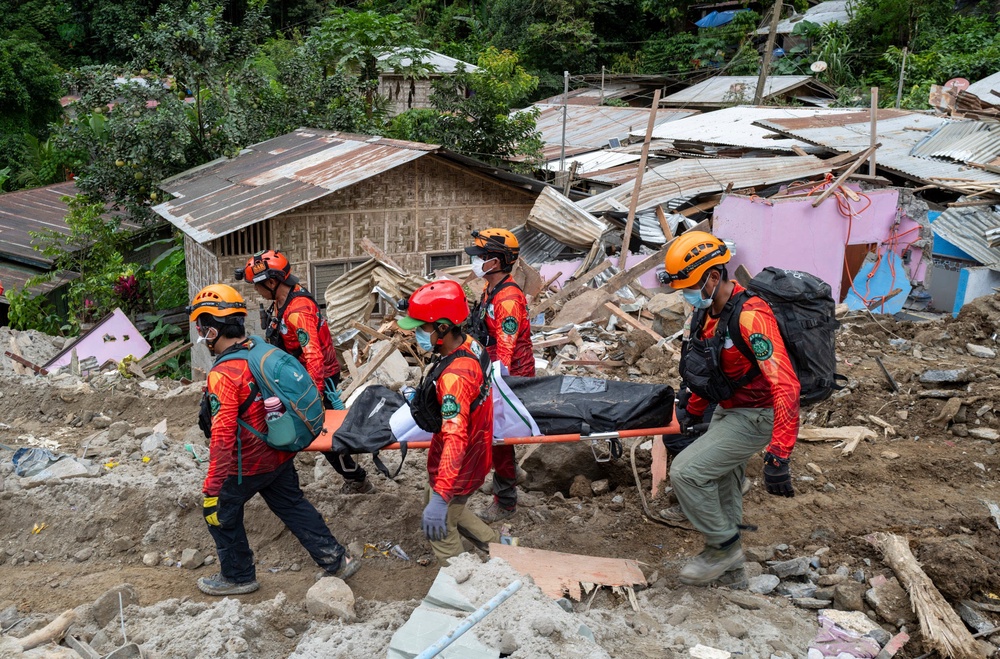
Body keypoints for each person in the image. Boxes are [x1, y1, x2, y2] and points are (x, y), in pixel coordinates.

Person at [188, 284, 360, 596]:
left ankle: (238, 576)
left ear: (212, 330)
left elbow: (223, 437)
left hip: (247, 464)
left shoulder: (225, 374)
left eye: (202, 327)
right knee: (292, 504)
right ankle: (337, 559)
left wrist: (212, 489)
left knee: (219, 515)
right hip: (279, 452)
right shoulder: (261, 350)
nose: (201, 334)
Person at [659, 231, 800, 586]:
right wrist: (691, 410)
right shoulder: (706, 315)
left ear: (713, 276)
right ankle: (734, 574)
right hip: (728, 408)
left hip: (757, 415)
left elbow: (786, 385)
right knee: (723, 484)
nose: (686, 295)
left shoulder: (752, 317)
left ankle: (723, 547)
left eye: (690, 286)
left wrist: (779, 454)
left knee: (687, 472)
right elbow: (713, 371)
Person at [236, 249, 374, 494]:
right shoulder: (282, 301)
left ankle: (357, 479)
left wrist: (313, 395)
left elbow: (314, 356)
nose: (256, 291)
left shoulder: (298, 311)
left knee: (322, 434)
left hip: (315, 378)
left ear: (272, 281)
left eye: (257, 285)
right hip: (299, 376)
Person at [397, 279, 514, 566]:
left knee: (440, 527)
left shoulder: (454, 378)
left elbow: (455, 438)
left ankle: (464, 580)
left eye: (421, 328)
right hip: (475, 453)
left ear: (444, 328)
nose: (416, 334)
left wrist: (442, 494)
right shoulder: (471, 346)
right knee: (451, 508)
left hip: (459, 463)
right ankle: (501, 548)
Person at [464, 228, 533, 523]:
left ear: (496, 261)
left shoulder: (507, 300)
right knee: (495, 437)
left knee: (498, 438)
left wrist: (493, 382)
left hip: (509, 376)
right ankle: (510, 473)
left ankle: (505, 501)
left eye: (480, 256)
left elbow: (505, 348)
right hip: (494, 369)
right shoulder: (489, 290)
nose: (476, 261)